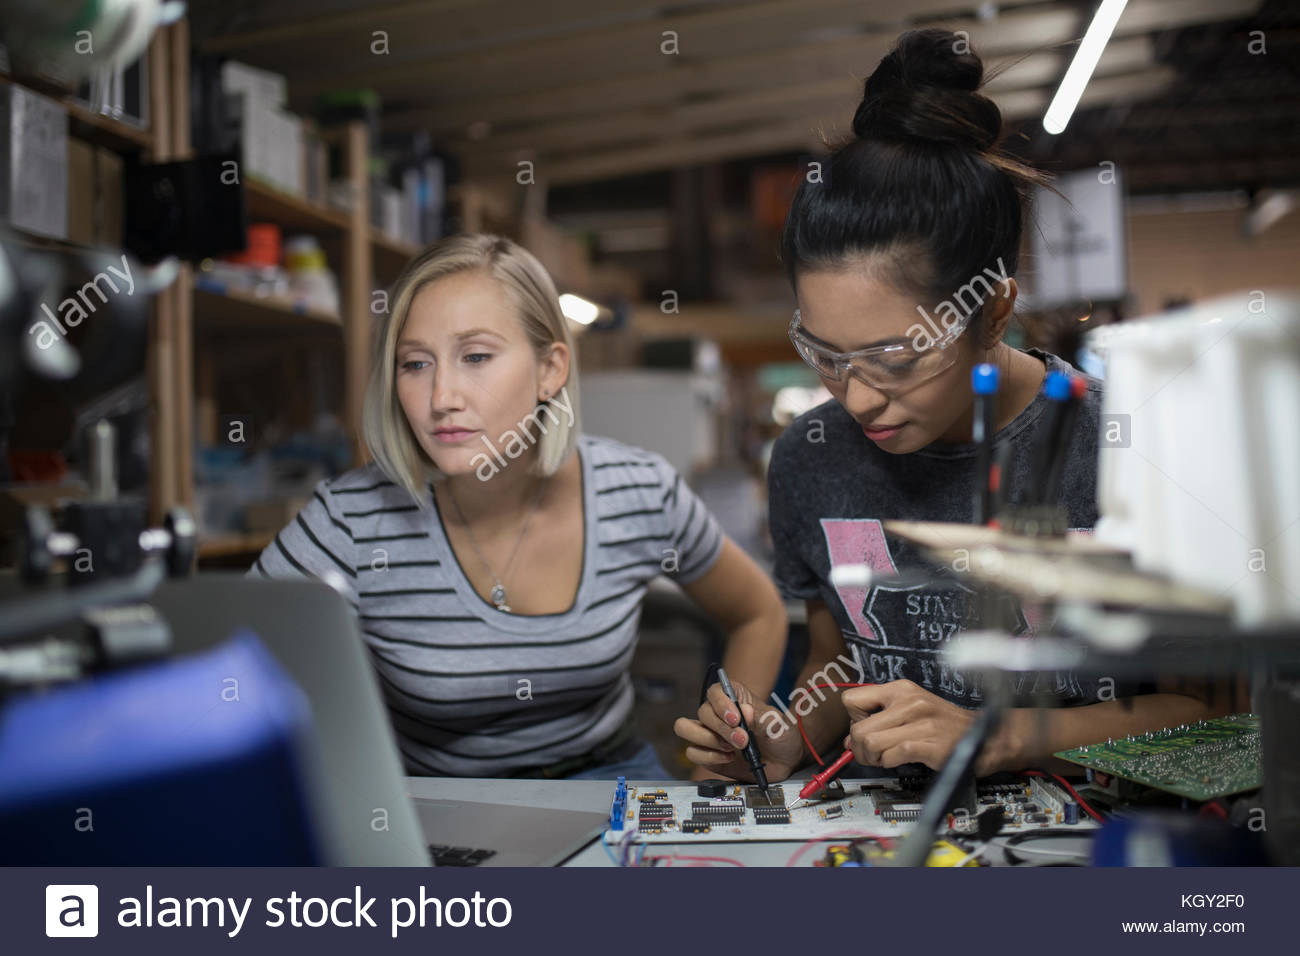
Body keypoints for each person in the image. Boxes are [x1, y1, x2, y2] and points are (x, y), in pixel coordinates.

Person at [676, 28, 1236, 784]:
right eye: (826, 355)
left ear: (994, 310)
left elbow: (1213, 727)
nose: (859, 396)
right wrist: (780, 737)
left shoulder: (1119, 447)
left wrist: (995, 737)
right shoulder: (811, 456)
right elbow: (839, 661)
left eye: (897, 358)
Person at [253, 234, 786, 778]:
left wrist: (720, 767)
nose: (441, 398)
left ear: (551, 369)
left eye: (476, 356)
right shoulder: (352, 519)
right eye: (414, 364)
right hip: (440, 815)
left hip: (609, 794)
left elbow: (758, 613)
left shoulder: (637, 491)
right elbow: (224, 664)